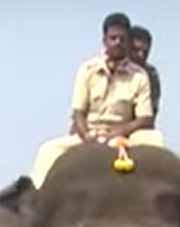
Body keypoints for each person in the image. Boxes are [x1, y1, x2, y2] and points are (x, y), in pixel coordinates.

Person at [30, 12, 162, 188]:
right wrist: (87, 136)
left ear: (127, 42)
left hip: (125, 136)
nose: (117, 42)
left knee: (156, 141)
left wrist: (119, 132)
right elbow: (78, 112)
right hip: (90, 133)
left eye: (122, 39)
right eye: (113, 38)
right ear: (104, 40)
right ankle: (33, 204)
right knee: (47, 151)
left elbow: (144, 118)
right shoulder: (87, 70)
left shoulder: (140, 76)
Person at [128, 25, 161, 117]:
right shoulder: (110, 69)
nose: (141, 55)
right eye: (136, 50)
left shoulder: (151, 74)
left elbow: (152, 111)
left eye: (145, 52)